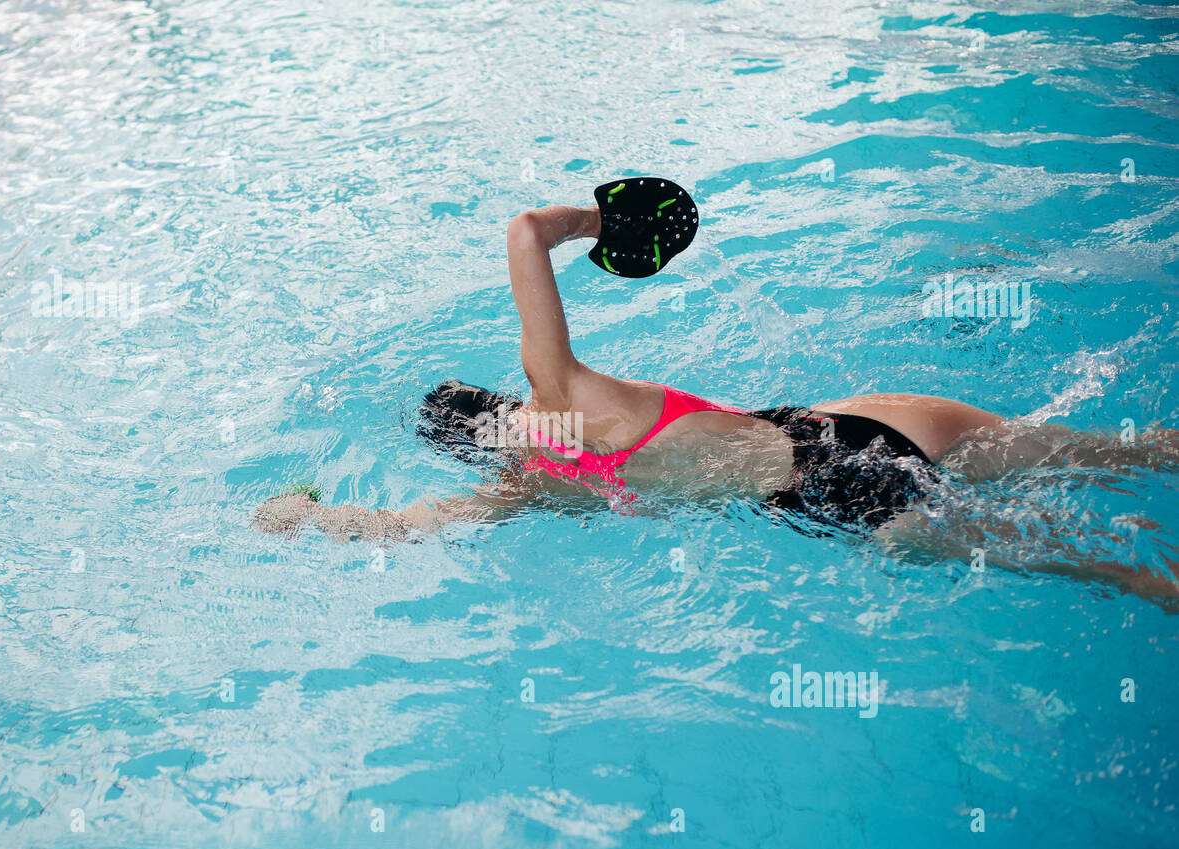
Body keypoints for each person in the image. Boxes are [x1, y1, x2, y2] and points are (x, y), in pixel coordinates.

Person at [254, 204, 1179, 608]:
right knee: (1125, 449)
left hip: (836, 493)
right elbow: (526, 229)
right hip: (851, 417)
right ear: (497, 399)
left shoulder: (534, 485)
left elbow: (401, 527)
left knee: (1104, 569)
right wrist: (605, 225)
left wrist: (302, 516)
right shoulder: (575, 391)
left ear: (479, 443)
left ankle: (1151, 580)